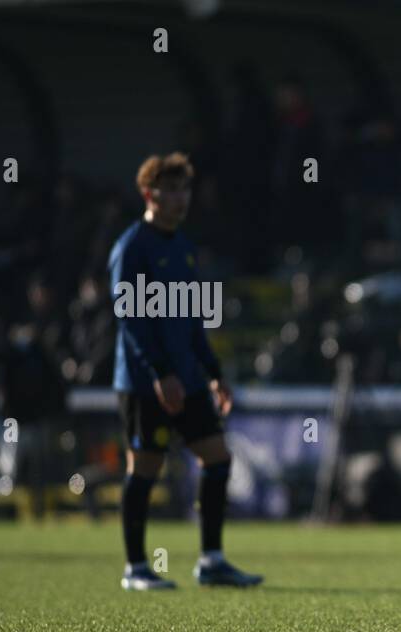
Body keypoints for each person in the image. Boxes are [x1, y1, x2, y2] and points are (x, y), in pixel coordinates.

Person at [110, 152, 262, 589]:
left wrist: (214, 373)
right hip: (145, 383)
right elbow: (130, 319)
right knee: (144, 467)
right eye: (171, 190)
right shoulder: (132, 246)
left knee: (217, 459)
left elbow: (194, 322)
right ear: (148, 194)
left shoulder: (184, 248)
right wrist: (160, 372)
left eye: (185, 189)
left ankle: (211, 560)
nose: (180, 198)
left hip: (189, 379)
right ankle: (136, 568)